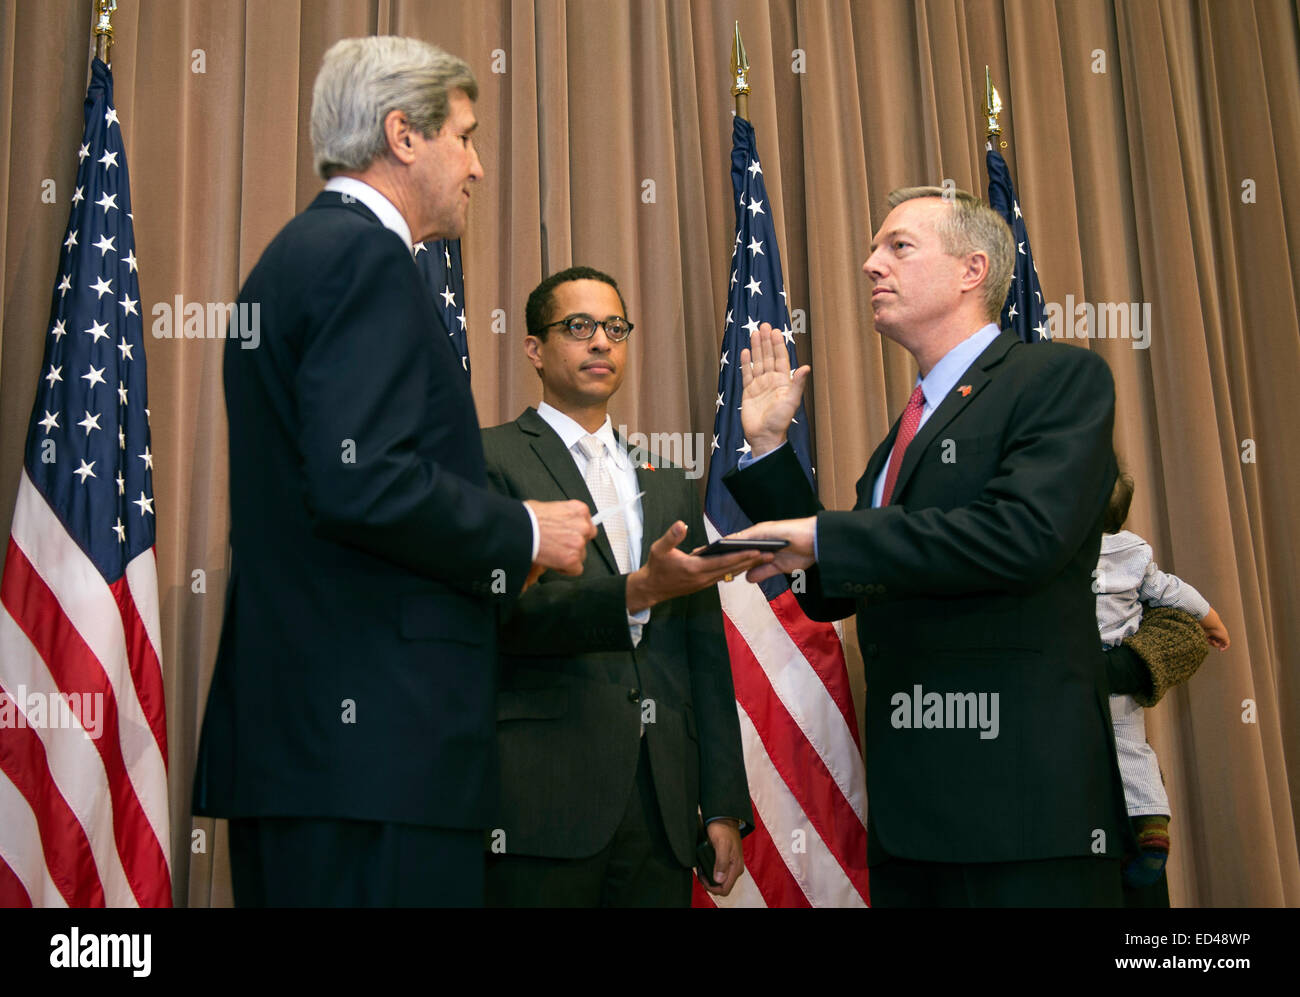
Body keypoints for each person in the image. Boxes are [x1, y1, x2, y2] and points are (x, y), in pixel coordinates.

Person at [191, 37, 595, 907]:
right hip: (372, 751)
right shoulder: (361, 258)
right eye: (465, 136)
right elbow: (361, 480)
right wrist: (527, 528)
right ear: (402, 135)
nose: (478, 166)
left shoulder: (292, 256)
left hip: (315, 749)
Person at [725, 186, 1131, 906]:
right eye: (876, 248)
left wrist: (823, 534)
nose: (869, 263)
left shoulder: (1057, 380)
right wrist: (767, 448)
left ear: (973, 269)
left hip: (1022, 814)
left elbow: (1021, 537)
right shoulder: (905, 432)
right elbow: (836, 587)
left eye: (898, 246)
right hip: (912, 823)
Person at [480, 266, 759, 906]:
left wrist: (720, 803)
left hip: (660, 808)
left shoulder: (665, 479)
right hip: (537, 802)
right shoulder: (487, 459)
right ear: (535, 349)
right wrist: (633, 591)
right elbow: (499, 614)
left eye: (614, 328)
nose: (601, 342)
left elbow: (703, 651)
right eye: (578, 327)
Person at [1095, 471, 1230, 904]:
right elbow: (1174, 593)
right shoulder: (1132, 554)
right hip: (1111, 706)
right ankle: (1152, 824)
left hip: (1091, 686)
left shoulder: (1050, 555)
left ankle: (1146, 835)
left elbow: (1178, 631)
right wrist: (1214, 620)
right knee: (1132, 751)